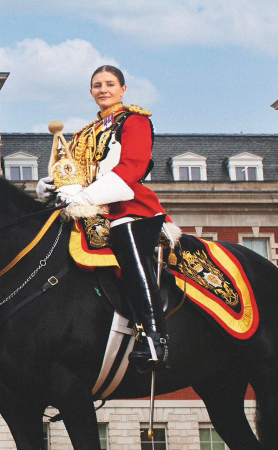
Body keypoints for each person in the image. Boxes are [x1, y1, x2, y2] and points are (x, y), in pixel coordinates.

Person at [37, 65, 172, 372]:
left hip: (128, 205)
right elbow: (74, 171)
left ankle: (154, 335)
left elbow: (132, 168)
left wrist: (86, 197)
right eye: (97, 85)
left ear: (123, 89)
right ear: (91, 92)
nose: (103, 89)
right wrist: (51, 185)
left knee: (127, 240)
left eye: (110, 84)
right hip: (89, 207)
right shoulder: (84, 133)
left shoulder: (135, 121)